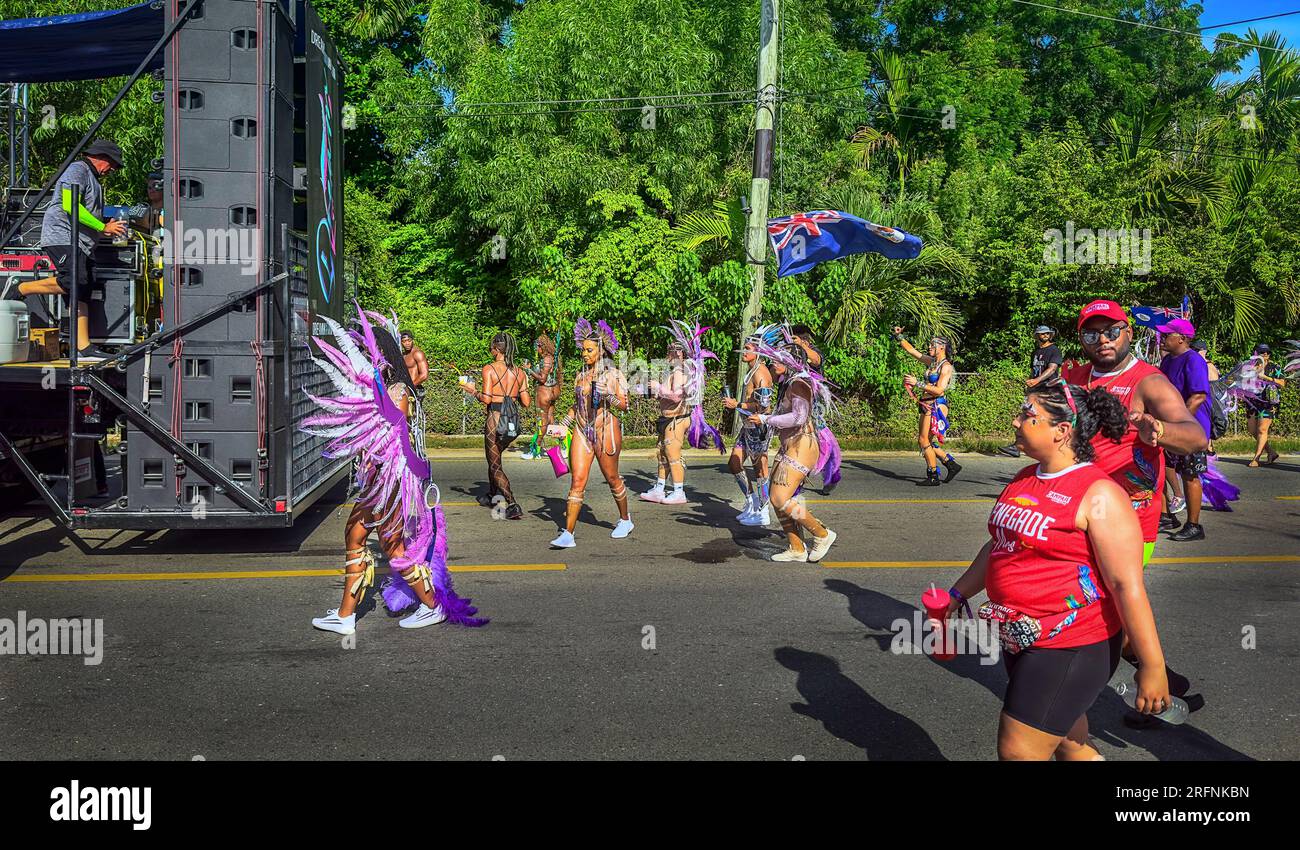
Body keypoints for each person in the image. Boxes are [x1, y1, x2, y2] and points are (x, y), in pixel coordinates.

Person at [944, 381, 1174, 760]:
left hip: (1073, 644)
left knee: (1018, 750)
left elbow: (1125, 584)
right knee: (1070, 741)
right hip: (1022, 636)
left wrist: (1152, 666)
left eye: (1028, 415)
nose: (1016, 421)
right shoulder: (1024, 477)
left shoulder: (1099, 494)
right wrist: (957, 594)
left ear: (1062, 430)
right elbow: (1000, 546)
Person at [303, 305, 486, 634]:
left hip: (390, 484)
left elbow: (391, 444)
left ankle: (430, 606)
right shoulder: (391, 390)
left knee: (392, 548)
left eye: (367, 353)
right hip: (381, 484)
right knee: (356, 536)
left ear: (381, 355)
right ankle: (345, 615)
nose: (365, 359)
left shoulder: (399, 393)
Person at [1061, 300, 1202, 721]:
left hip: (1129, 521)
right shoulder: (1074, 377)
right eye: (1091, 333)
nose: (1101, 340)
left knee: (1108, 608)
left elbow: (1194, 435)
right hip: (1079, 511)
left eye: (1110, 332)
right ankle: (1161, 681)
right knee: (1104, 610)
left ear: (1128, 332)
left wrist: (1159, 430)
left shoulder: (1148, 380)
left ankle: (1153, 689)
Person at [5, 139, 128, 361]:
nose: (113, 170)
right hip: (62, 236)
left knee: (83, 289)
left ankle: (83, 346)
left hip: (83, 243)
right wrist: (102, 226)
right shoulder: (78, 169)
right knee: (75, 280)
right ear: (102, 158)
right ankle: (22, 287)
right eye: (113, 165)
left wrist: (104, 224)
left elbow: (86, 211)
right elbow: (69, 204)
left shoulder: (94, 181)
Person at [747, 332, 837, 562]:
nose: (773, 363)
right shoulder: (790, 382)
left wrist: (766, 420)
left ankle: (821, 534)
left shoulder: (798, 383)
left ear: (789, 362)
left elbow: (799, 417)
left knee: (780, 499)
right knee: (776, 498)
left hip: (803, 445)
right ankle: (796, 547)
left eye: (777, 360)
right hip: (790, 445)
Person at [549, 318, 632, 547]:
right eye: (583, 350)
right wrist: (564, 423)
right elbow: (577, 405)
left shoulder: (613, 375)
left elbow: (625, 405)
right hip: (582, 431)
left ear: (601, 350)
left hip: (606, 432)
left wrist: (609, 396)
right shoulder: (581, 375)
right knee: (577, 481)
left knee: (612, 478)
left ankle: (625, 520)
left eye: (589, 350)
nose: (584, 354)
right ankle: (568, 534)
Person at [640, 319, 724, 505]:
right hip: (670, 418)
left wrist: (658, 387)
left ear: (679, 352)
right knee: (662, 453)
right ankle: (660, 488)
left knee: (672, 455)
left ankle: (679, 491)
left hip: (676, 419)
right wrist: (656, 393)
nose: (668, 352)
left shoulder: (680, 370)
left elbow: (677, 397)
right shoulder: (678, 369)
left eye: (671, 349)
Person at [461, 333, 531, 520]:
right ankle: (493, 494)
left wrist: (472, 390)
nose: (490, 350)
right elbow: (526, 402)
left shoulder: (489, 369)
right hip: (512, 423)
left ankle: (512, 503)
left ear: (496, 349)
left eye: (491, 347)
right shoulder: (520, 372)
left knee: (495, 464)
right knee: (495, 457)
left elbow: (487, 399)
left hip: (495, 419)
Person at [1154, 318, 1212, 541]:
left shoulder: (1194, 360)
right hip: (1169, 425)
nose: (1163, 339)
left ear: (1181, 338)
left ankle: (1194, 525)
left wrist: (1180, 421)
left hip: (1191, 427)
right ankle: (1167, 515)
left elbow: (1198, 395)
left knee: (1189, 474)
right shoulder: (1168, 360)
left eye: (1167, 335)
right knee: (1161, 469)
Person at [893, 327, 962, 484]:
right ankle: (950, 464)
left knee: (924, 440)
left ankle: (933, 476)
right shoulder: (932, 362)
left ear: (942, 347)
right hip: (926, 404)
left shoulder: (946, 366)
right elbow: (912, 351)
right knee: (927, 440)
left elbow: (939, 390)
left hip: (936, 405)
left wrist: (917, 383)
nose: (929, 347)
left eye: (933, 345)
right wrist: (899, 336)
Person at [724, 327, 778, 526]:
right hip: (747, 425)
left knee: (760, 469)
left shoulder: (761, 374)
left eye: (747, 348)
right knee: (734, 463)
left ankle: (764, 511)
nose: (743, 352)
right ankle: (751, 501)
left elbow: (764, 406)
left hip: (758, 427)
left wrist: (736, 405)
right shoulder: (752, 370)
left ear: (758, 351)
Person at [789, 324, 842, 492]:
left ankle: (832, 473)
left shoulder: (813, 351)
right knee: (795, 439)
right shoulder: (792, 352)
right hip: (794, 400)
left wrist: (801, 346)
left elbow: (816, 360)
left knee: (820, 437)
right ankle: (797, 480)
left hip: (812, 403)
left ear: (805, 340)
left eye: (797, 338)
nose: (793, 340)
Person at [1000, 325, 1063, 458]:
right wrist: (1030, 383)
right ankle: (1020, 446)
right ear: (1036, 336)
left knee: (1033, 418)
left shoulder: (1054, 350)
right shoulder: (1036, 352)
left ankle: (1042, 446)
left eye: (1047, 333)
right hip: (1035, 390)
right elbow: (1033, 370)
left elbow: (1052, 369)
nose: (1045, 335)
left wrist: (1037, 380)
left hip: (1047, 389)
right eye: (1042, 333)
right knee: (1027, 416)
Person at [1245, 344, 1286, 467]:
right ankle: (1271, 452)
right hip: (1252, 402)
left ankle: (1256, 458)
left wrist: (1266, 377)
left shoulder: (1274, 367)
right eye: (1262, 352)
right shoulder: (1249, 367)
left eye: (1267, 352)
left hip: (1268, 403)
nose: (1265, 354)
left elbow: (1282, 383)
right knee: (1252, 430)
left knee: (1262, 430)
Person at [523, 333, 562, 459]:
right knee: (551, 420)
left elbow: (542, 378)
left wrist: (528, 370)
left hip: (544, 392)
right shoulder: (551, 358)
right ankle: (563, 445)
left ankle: (536, 451)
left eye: (537, 347)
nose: (537, 350)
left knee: (542, 422)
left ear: (541, 346)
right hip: (552, 392)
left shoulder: (546, 359)